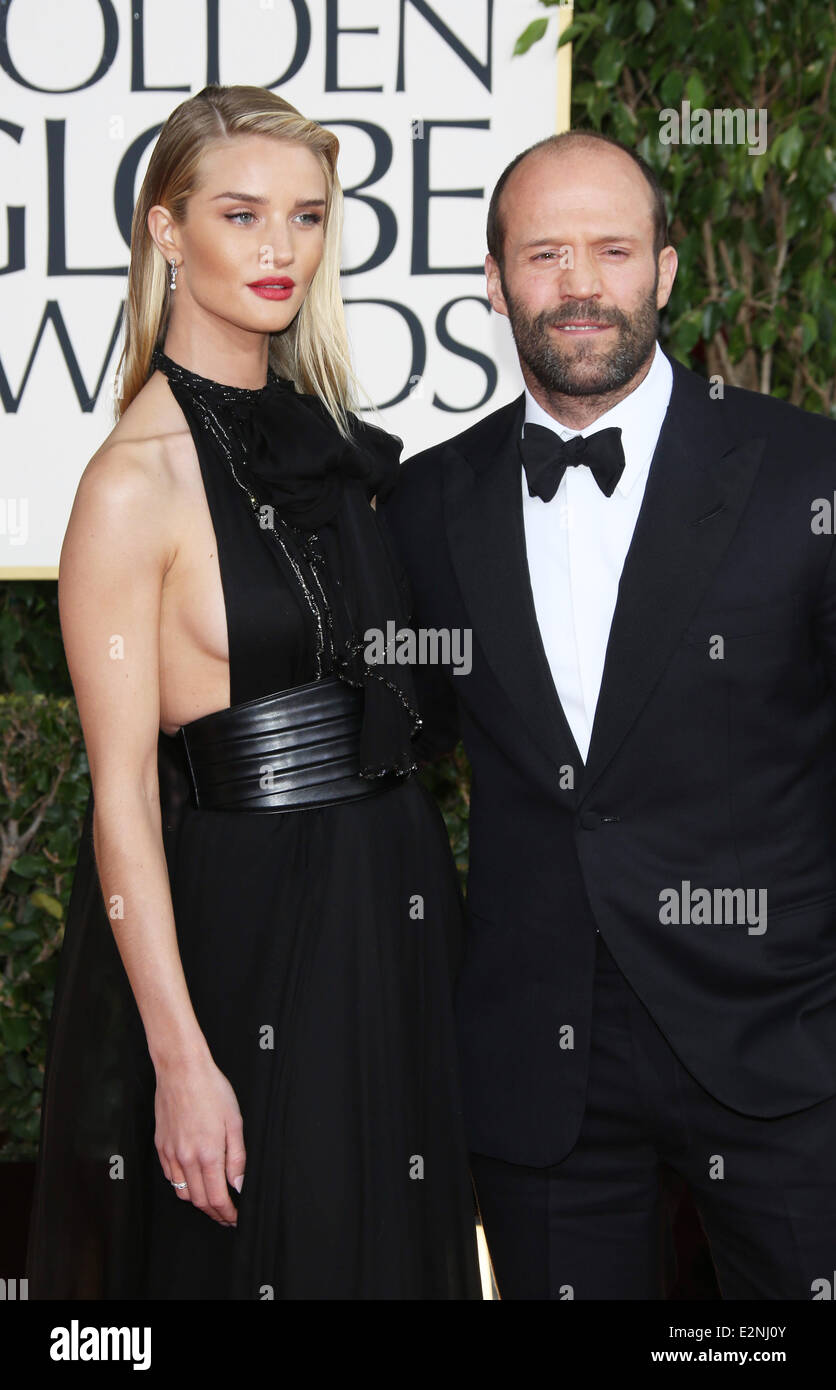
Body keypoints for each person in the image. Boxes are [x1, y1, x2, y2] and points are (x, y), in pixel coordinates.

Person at [25, 83, 481, 1301]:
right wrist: (179, 1055)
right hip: (253, 923)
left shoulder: (325, 436)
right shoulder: (133, 481)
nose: (281, 249)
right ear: (167, 231)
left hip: (392, 893)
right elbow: (121, 793)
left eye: (308, 216)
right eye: (241, 214)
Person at [381, 129, 836, 1300]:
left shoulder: (803, 476)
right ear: (493, 281)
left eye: (612, 250)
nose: (579, 284)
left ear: (665, 273)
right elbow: (411, 734)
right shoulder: (427, 500)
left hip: (784, 1047)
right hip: (542, 1065)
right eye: (543, 253)